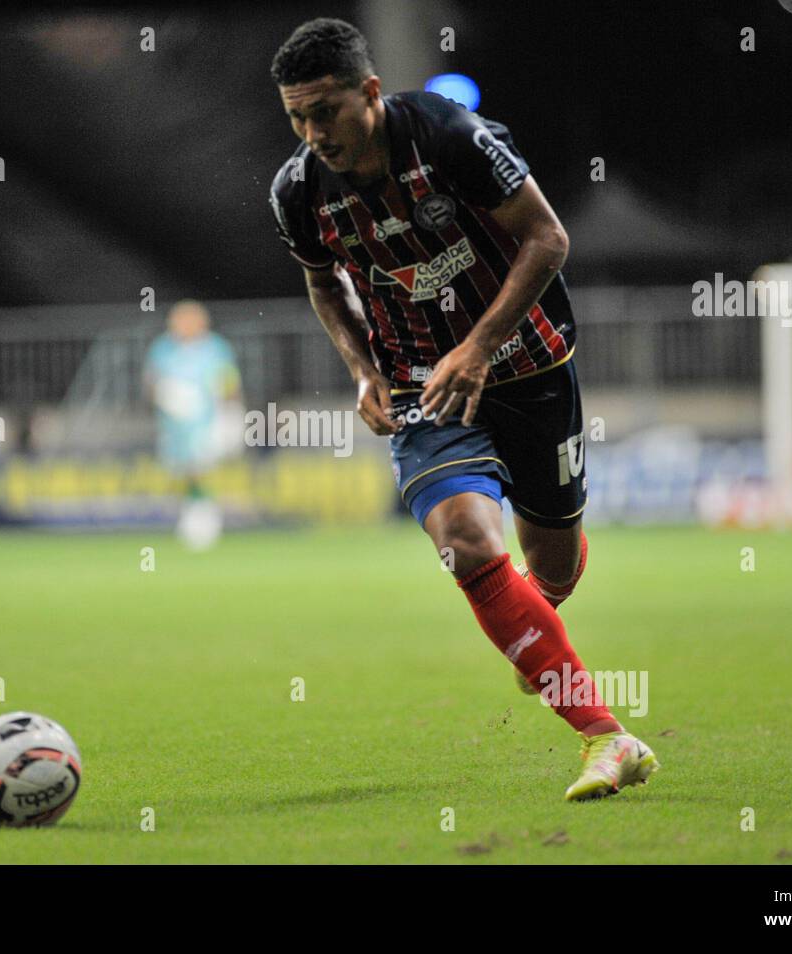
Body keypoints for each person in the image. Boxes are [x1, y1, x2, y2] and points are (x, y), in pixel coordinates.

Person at [268, 18, 658, 800]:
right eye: (297, 118)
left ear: (370, 93)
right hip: (423, 387)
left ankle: (537, 623)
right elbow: (322, 282)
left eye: (327, 112)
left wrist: (479, 346)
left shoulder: (448, 136)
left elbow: (548, 240)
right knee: (469, 546)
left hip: (530, 365)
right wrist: (362, 369)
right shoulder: (299, 192)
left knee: (551, 568)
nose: (315, 134)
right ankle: (608, 738)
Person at [143, 299, 241, 550]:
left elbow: (229, 383)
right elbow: (151, 383)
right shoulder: (163, 349)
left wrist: (229, 413)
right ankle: (192, 511)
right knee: (182, 470)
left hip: (208, 420)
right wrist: (168, 395)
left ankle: (204, 517)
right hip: (175, 424)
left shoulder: (215, 348)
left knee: (202, 467)